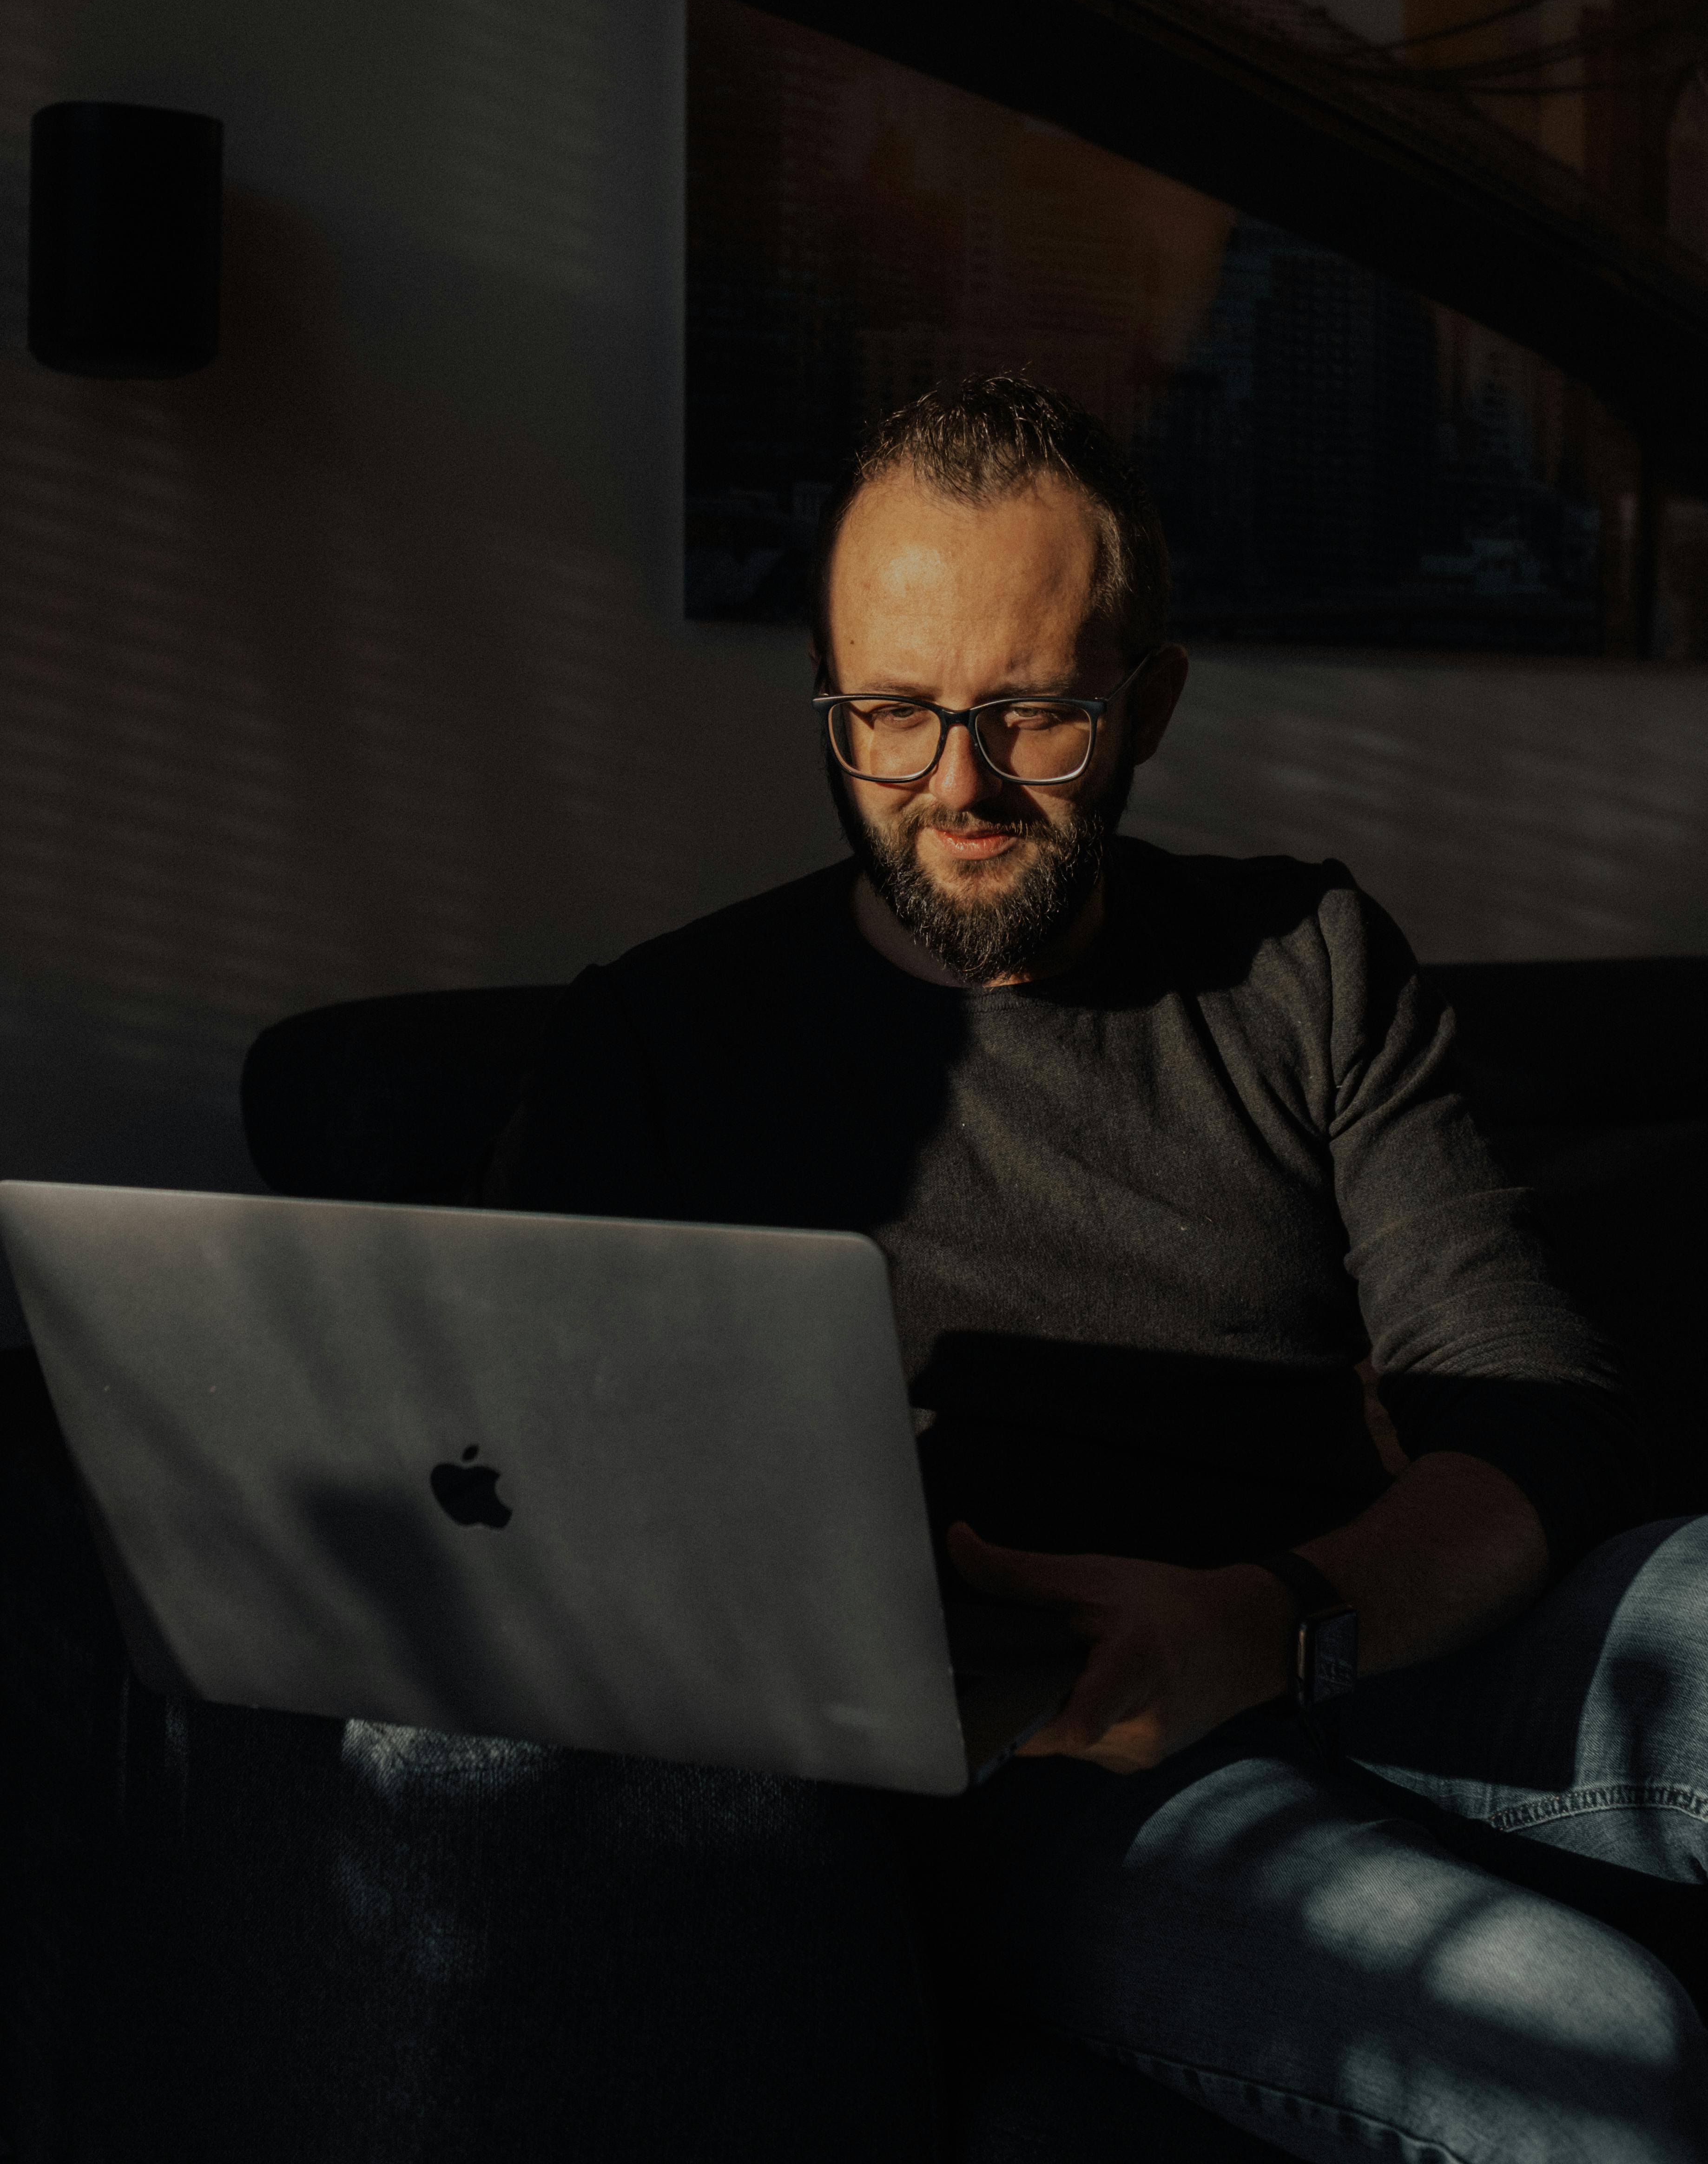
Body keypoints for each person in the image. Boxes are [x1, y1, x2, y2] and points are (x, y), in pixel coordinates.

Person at [488, 377, 1708, 2161]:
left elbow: (1532, 1409)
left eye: (1033, 714)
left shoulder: (1304, 957)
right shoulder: (661, 1042)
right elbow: (529, 1505)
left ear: (1150, 701)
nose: (956, 786)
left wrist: (1276, 1616)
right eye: (889, 716)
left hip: (1357, 1619)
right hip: (1037, 1759)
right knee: (1599, 2047)